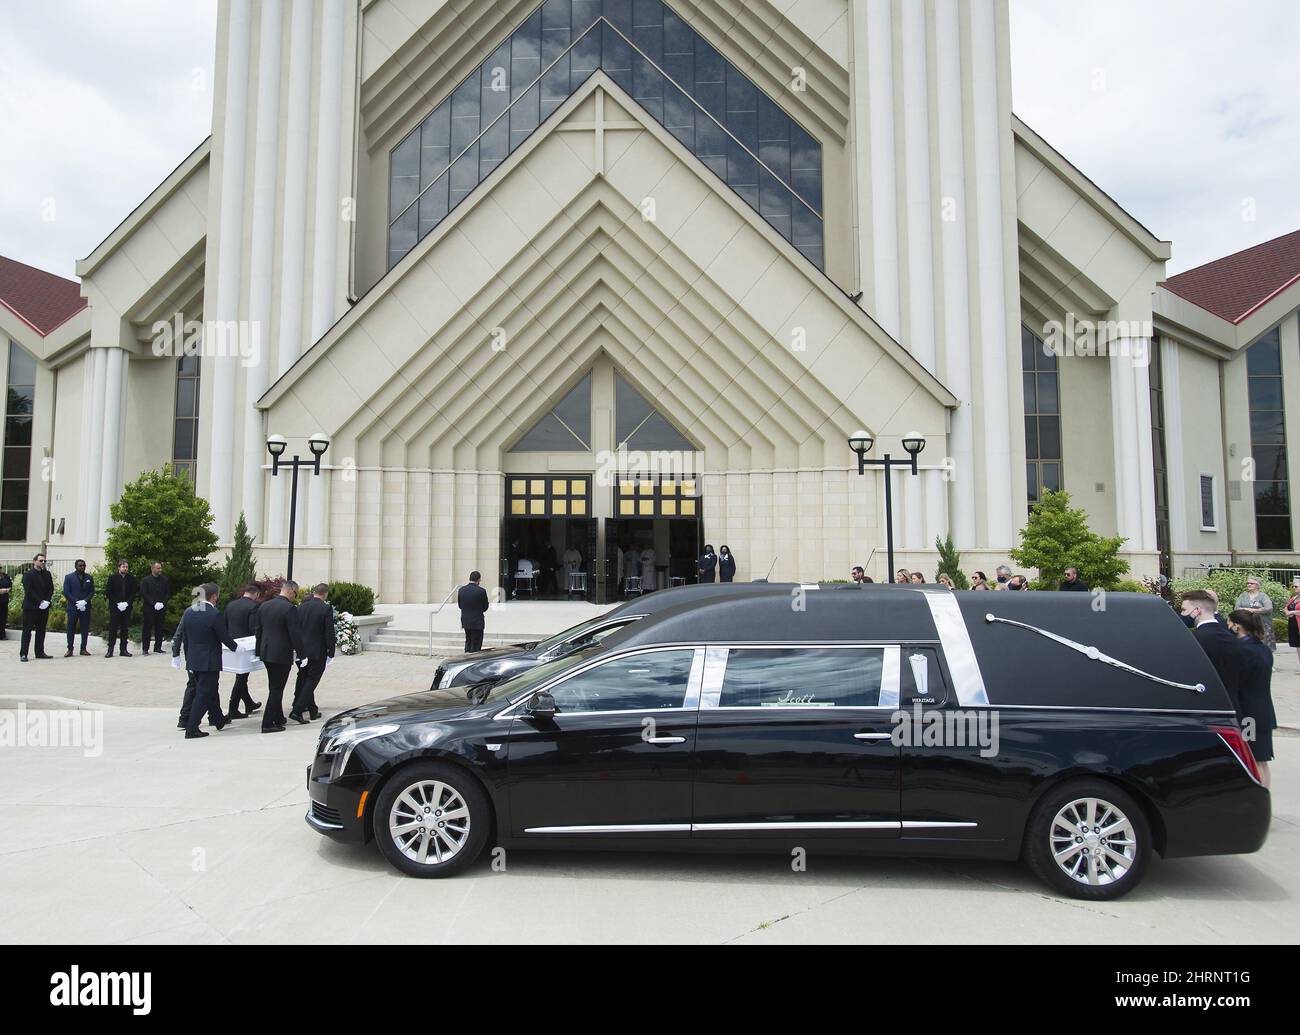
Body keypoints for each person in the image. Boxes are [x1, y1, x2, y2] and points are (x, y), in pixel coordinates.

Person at [173, 583, 238, 739]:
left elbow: (185, 638)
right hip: (209, 661)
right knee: (204, 694)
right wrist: (237, 647)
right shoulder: (214, 614)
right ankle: (192, 728)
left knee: (209, 690)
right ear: (214, 596)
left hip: (194, 660)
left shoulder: (189, 612)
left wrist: (187, 659)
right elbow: (224, 637)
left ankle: (217, 719)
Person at [1227, 609, 1277, 788]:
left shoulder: (1242, 650)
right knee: (1261, 760)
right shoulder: (1263, 648)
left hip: (1249, 714)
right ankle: (1264, 793)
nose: (1228, 626)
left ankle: (1258, 797)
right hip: (1263, 709)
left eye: (1229, 623)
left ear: (1237, 626)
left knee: (1252, 760)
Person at [1181, 590, 1243, 716]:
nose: (1182, 614)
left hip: (1204, 709)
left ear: (1196, 611)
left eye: (1184, 610)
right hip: (1233, 708)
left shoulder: (1192, 640)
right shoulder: (1233, 638)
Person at [255, 580, 300, 733]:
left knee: (274, 686)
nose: (295, 597)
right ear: (291, 591)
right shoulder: (289, 608)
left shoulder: (264, 605)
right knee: (276, 688)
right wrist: (301, 653)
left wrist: (258, 651)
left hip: (266, 652)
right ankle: (267, 723)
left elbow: (258, 630)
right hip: (281, 654)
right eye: (296, 594)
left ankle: (278, 717)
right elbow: (294, 634)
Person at [290, 583, 335, 723]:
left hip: (301, 651)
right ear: (325, 594)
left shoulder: (300, 607)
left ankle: (313, 710)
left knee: (305, 679)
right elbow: (329, 632)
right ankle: (297, 711)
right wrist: (331, 652)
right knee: (312, 680)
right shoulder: (325, 608)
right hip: (317, 651)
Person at [223, 584, 263, 720]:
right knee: (241, 677)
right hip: (246, 646)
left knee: (241, 676)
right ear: (256, 594)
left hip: (232, 644)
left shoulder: (231, 605)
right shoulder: (254, 607)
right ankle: (232, 708)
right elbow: (253, 629)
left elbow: (225, 625)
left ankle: (248, 703)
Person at [20, 553, 55, 662]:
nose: (43, 563)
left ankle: (39, 652)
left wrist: (47, 601)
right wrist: (40, 601)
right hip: (31, 607)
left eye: (44, 561)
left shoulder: (47, 574)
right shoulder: (28, 575)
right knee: (27, 631)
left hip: (44, 607)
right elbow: (29, 591)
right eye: (41, 561)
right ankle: (23, 653)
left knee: (41, 631)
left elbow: (51, 588)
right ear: (34, 561)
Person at [61, 559, 94, 657]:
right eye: (80, 566)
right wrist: (76, 601)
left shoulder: (89, 577)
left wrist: (85, 601)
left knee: (85, 628)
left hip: (85, 606)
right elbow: (66, 592)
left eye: (84, 565)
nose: (82, 567)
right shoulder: (69, 577)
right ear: (76, 566)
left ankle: (83, 648)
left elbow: (91, 591)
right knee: (71, 628)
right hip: (73, 607)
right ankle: (70, 649)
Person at [105, 560, 137, 658]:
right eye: (123, 566)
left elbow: (133, 593)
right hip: (115, 607)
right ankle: (110, 650)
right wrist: (118, 603)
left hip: (126, 608)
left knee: (125, 629)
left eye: (127, 567)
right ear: (119, 567)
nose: (125, 568)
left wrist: (127, 603)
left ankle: (123, 650)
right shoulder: (112, 578)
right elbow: (108, 593)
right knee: (113, 628)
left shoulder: (131, 579)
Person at [1234, 576, 1275, 650]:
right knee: (1248, 647)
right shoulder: (1243, 596)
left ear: (1257, 585)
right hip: (1246, 626)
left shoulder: (1263, 596)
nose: (1249, 585)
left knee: (1263, 648)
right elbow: (1236, 608)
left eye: (1251, 583)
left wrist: (1251, 610)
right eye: (1248, 583)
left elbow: (1269, 608)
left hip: (1261, 626)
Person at [139, 561, 170, 654]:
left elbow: (167, 593)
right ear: (152, 569)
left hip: (161, 608)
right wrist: (153, 603)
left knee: (159, 628)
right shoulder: (146, 580)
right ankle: (145, 649)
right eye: (158, 568)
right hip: (149, 608)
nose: (160, 570)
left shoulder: (164, 580)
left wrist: (162, 603)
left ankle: (158, 647)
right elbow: (144, 593)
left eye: (160, 568)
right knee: (147, 628)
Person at [458, 571, 490, 653]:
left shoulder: (461, 590)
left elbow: (460, 606)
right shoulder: (481, 591)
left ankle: (466, 658)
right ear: (478, 580)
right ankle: (473, 661)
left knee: (468, 641)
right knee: (476, 644)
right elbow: (485, 607)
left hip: (465, 621)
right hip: (477, 622)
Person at [1285, 577, 1300, 670]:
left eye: (1296, 586)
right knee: (1298, 646)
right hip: (1293, 624)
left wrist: (1292, 612)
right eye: (1293, 586)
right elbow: (1286, 607)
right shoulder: (1294, 598)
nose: (1294, 588)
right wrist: (1287, 612)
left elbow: (1293, 611)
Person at [0, 567, 11, 639]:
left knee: (3, 618)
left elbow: (10, 585)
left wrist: (7, 590)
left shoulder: (5, 576)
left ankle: (2, 635)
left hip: (4, 600)